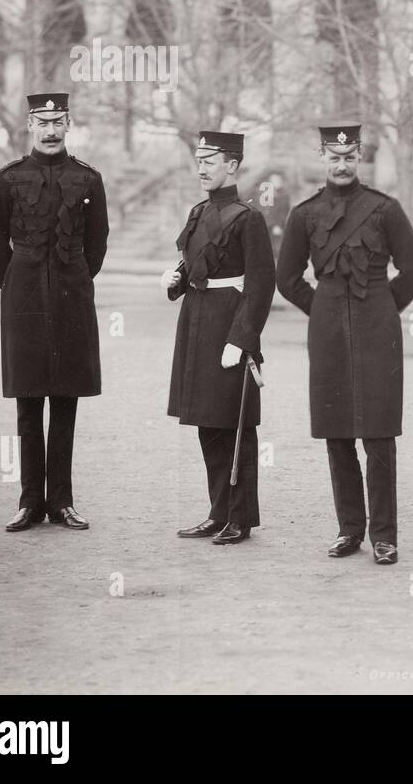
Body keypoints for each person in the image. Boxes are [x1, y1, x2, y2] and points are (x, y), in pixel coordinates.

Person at [276, 125, 413, 565]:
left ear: (360, 158)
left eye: (349, 156)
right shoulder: (304, 214)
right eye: (333, 156)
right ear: (322, 157)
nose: (341, 165)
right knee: (337, 432)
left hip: (378, 333)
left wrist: (381, 309)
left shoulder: (385, 209)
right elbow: (286, 279)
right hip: (327, 336)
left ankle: (384, 535)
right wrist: (321, 308)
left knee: (379, 434)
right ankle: (349, 530)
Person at [0, 92, 108, 532]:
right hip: (25, 304)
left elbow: (97, 245)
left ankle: (62, 501)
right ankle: (30, 502)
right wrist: (20, 285)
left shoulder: (88, 179)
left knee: (66, 401)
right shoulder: (8, 179)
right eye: (42, 122)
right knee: (28, 402)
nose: (51, 131)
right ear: (29, 126)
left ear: (69, 124)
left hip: (72, 300)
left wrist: (71, 282)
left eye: (58, 122)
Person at [163, 131, 275, 545]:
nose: (202, 167)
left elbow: (262, 285)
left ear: (232, 165)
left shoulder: (249, 218)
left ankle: (240, 518)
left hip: (229, 327)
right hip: (196, 324)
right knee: (208, 424)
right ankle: (217, 512)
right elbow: (193, 263)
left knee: (236, 425)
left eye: (211, 160)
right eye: (199, 159)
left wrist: (241, 338)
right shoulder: (197, 212)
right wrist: (176, 279)